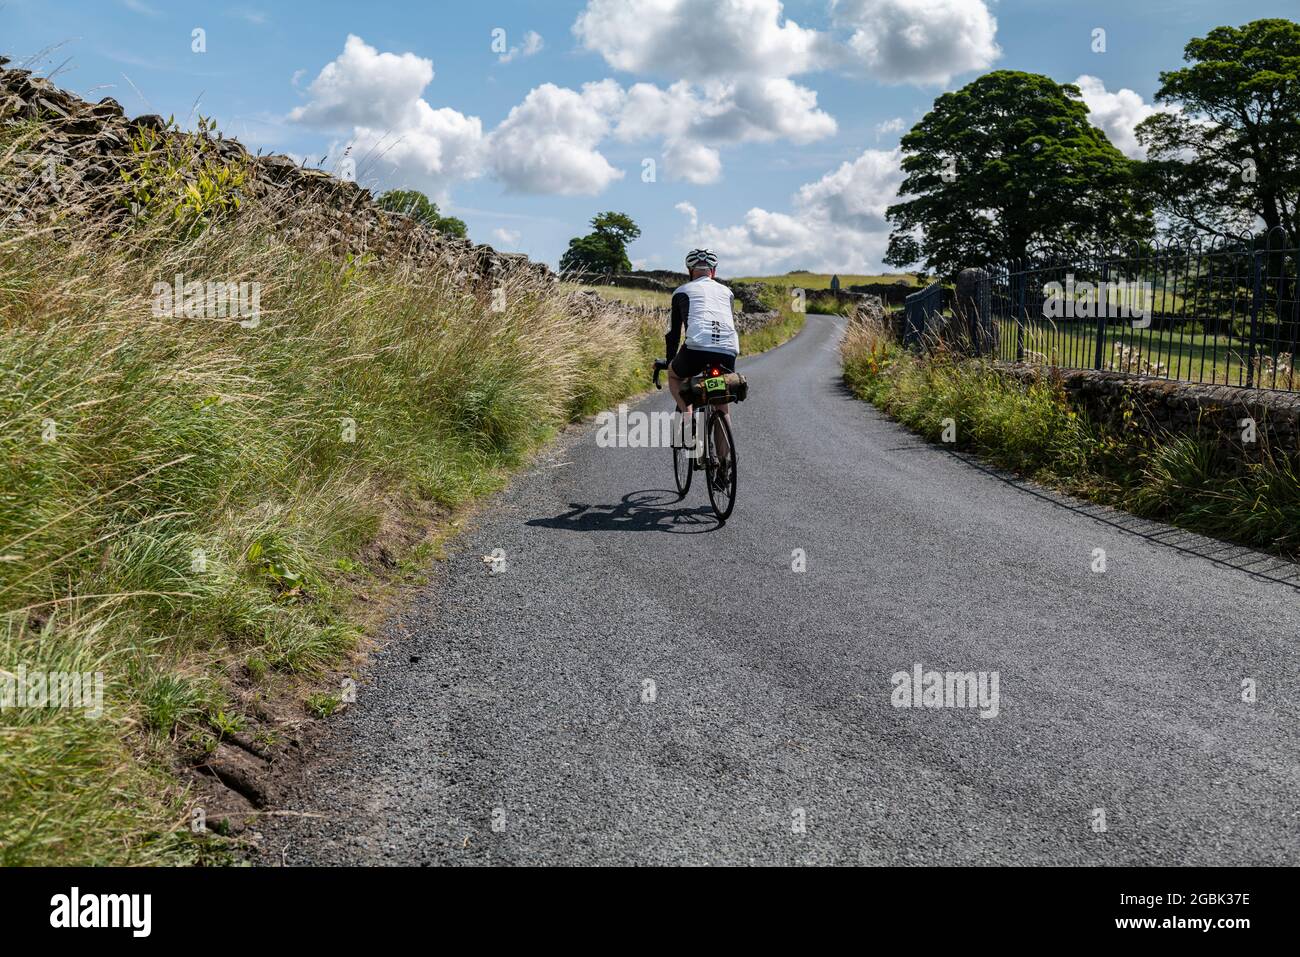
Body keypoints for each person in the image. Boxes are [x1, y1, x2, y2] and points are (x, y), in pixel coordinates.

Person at [665, 248, 738, 483]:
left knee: (676, 377)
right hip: (727, 350)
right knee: (721, 404)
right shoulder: (727, 293)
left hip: (696, 349)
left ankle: (688, 422)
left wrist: (669, 362)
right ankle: (724, 464)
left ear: (689, 271)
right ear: (714, 271)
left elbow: (674, 334)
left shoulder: (681, 292)